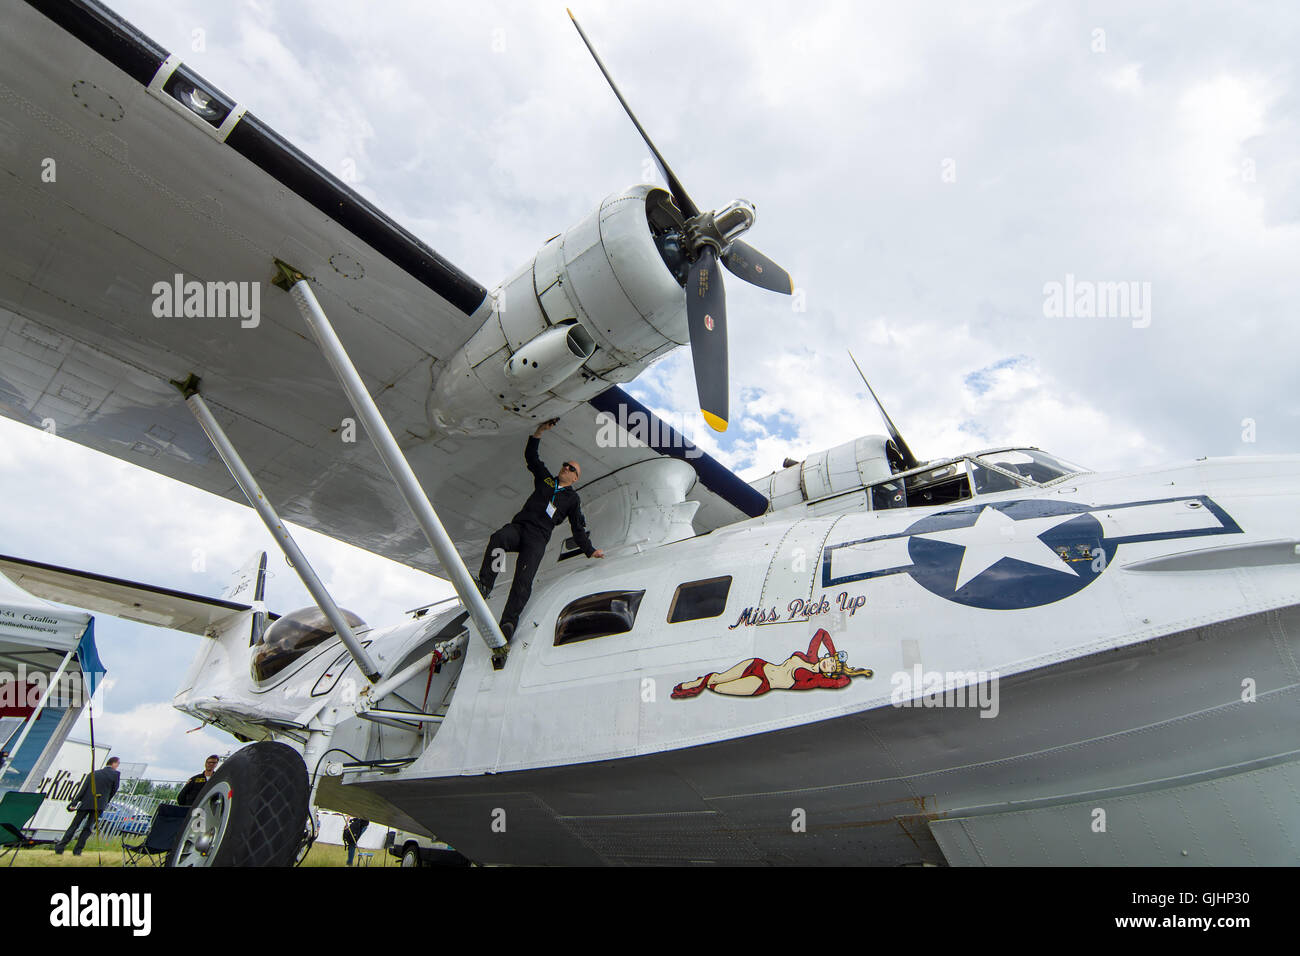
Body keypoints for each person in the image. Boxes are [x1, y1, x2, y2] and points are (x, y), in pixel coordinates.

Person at [476, 420, 604, 640]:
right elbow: (532, 458)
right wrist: (538, 433)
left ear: (575, 478)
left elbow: (578, 528)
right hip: (520, 527)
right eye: (565, 464)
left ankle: (508, 623)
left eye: (571, 468)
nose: (566, 467)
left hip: (537, 539)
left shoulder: (572, 498)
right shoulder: (545, 479)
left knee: (523, 580)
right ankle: (486, 583)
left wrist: (590, 550)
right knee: (499, 538)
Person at [672, 629, 873, 698]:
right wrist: (833, 652)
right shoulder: (811, 657)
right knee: (716, 677)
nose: (829, 663)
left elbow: (842, 682)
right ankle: (692, 684)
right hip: (758, 665)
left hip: (763, 684)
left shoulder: (816, 680)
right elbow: (821, 633)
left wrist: (848, 671)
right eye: (830, 661)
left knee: (717, 687)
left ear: (830, 674)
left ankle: (695, 685)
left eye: (831, 667)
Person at [54, 756, 121, 855]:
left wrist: (74, 802)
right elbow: (113, 791)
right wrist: (105, 801)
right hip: (99, 804)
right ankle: (78, 850)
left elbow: (83, 789)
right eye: (118, 764)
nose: (118, 766)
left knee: (74, 825)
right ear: (114, 763)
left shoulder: (93, 774)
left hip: (86, 802)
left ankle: (60, 847)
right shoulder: (115, 775)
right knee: (88, 827)